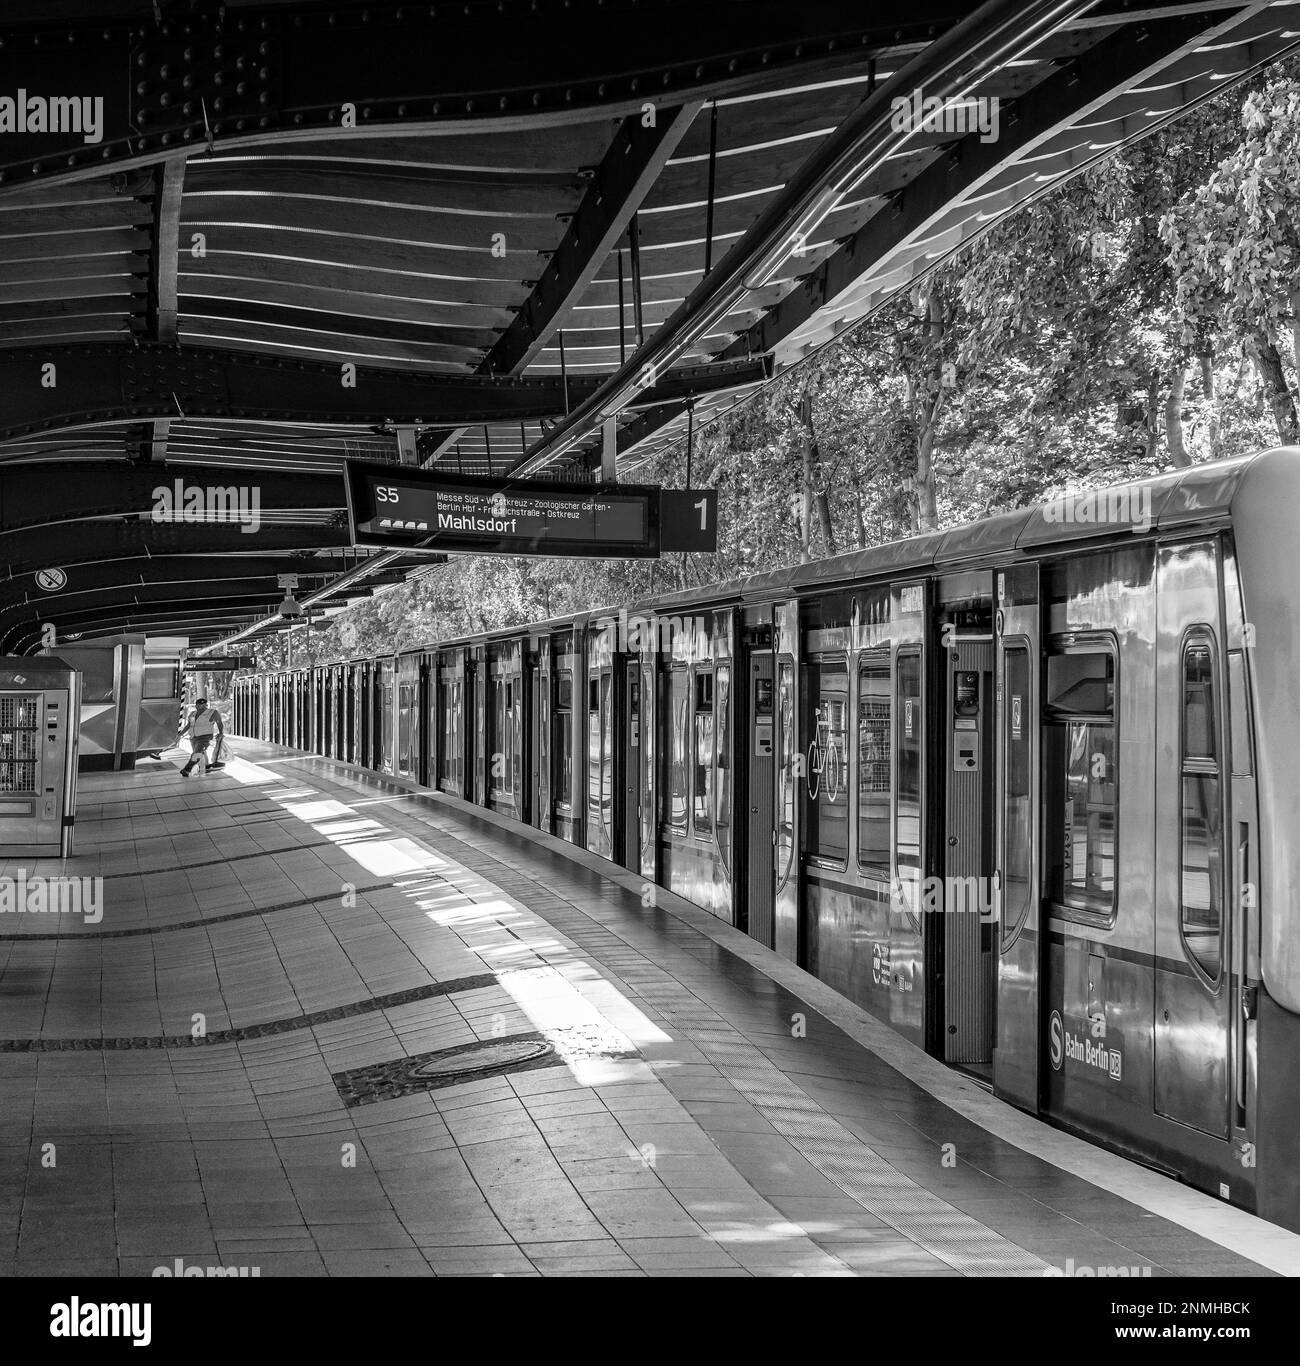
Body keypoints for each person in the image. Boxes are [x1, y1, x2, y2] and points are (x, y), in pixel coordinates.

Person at [178, 697, 224, 777]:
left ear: (206, 705)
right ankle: (205, 767)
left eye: (204, 705)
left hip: (205, 737)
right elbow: (189, 725)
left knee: (196, 754)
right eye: (199, 705)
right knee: (199, 754)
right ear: (196, 705)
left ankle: (186, 770)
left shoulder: (212, 712)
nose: (201, 707)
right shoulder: (193, 714)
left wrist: (221, 733)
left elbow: (219, 723)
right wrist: (180, 734)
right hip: (193, 737)